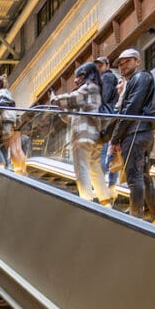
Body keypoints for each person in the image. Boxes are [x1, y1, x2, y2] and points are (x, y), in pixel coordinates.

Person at [108, 48, 155, 224]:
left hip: (135, 133)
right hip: (142, 133)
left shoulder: (140, 78)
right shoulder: (138, 80)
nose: (122, 65)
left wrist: (115, 138)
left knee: (135, 178)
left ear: (137, 61)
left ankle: (136, 220)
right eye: (120, 63)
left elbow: (129, 110)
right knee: (144, 178)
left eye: (127, 61)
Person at [51, 62, 111, 206]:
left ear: (86, 75)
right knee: (95, 169)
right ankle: (105, 202)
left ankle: (87, 203)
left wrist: (54, 99)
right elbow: (70, 117)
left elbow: (71, 99)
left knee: (81, 169)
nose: (76, 80)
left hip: (83, 137)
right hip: (94, 138)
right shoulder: (94, 91)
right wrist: (60, 109)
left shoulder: (89, 87)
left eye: (78, 76)